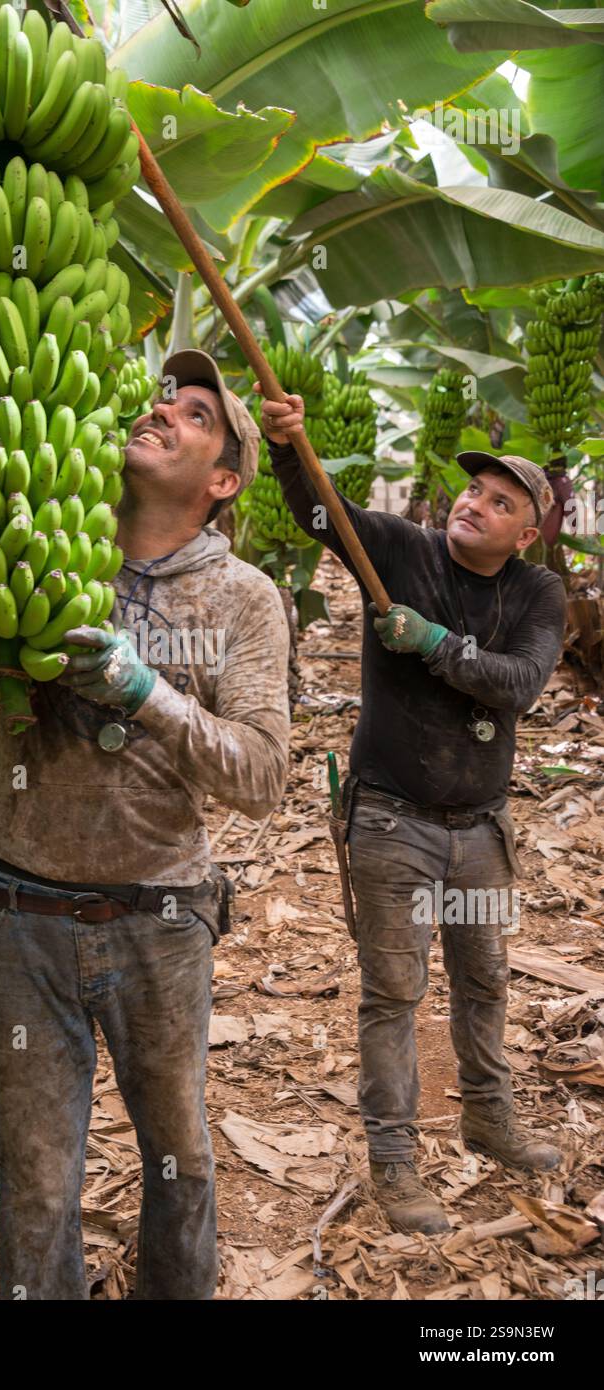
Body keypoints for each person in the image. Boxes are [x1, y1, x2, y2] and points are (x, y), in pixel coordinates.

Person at [0, 290, 291, 1298]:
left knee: (182, 1164)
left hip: (161, 915)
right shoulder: (38, 542)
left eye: (199, 414)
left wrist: (145, 691)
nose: (165, 409)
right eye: (165, 398)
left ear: (225, 479)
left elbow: (260, 775)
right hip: (18, 915)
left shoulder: (244, 599)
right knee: (34, 1187)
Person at [258, 386, 567, 1236]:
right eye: (473, 491)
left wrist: (434, 644)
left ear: (526, 532)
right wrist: (289, 447)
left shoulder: (537, 595)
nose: (475, 504)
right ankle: (393, 1160)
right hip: (391, 820)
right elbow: (324, 516)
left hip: (479, 828)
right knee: (393, 994)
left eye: (500, 503)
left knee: (485, 981)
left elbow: (520, 684)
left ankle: (487, 1116)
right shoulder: (399, 549)